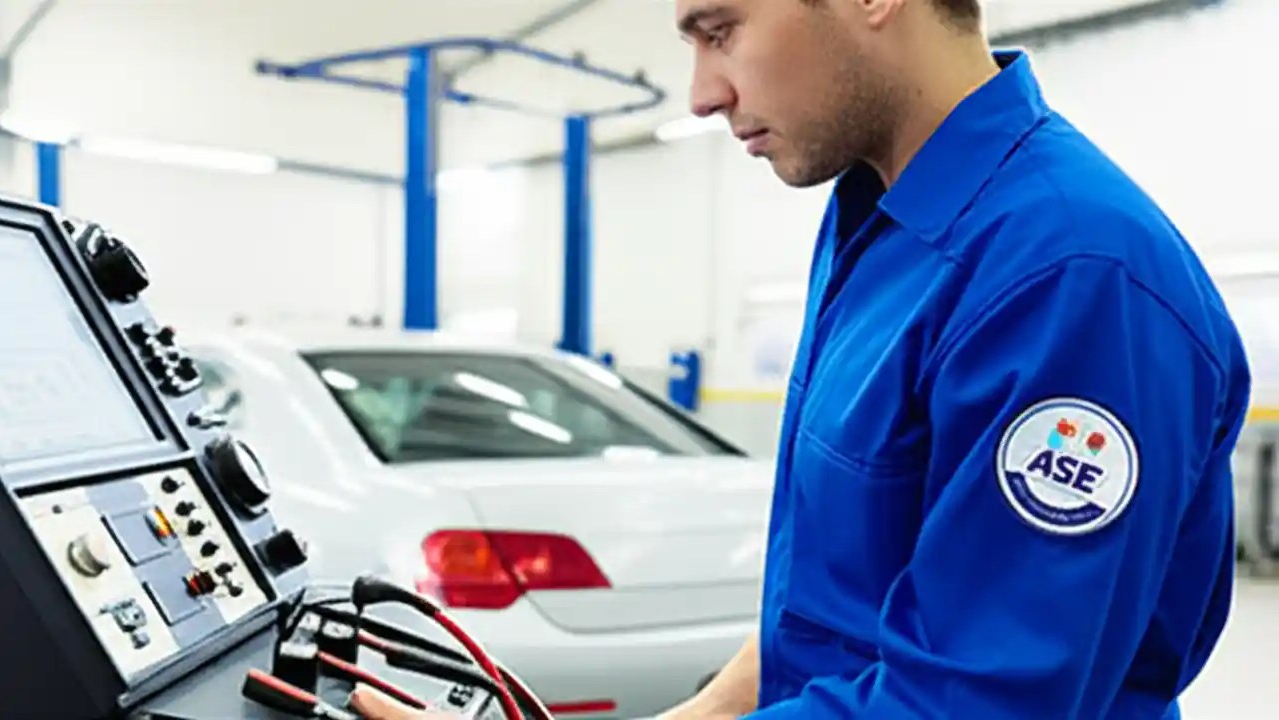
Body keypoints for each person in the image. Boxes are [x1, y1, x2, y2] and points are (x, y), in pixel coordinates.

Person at [351, 0, 1250, 718]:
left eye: (720, 31)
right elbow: (833, 602)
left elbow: (973, 702)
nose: (702, 93)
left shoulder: (1069, 272)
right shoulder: (877, 218)